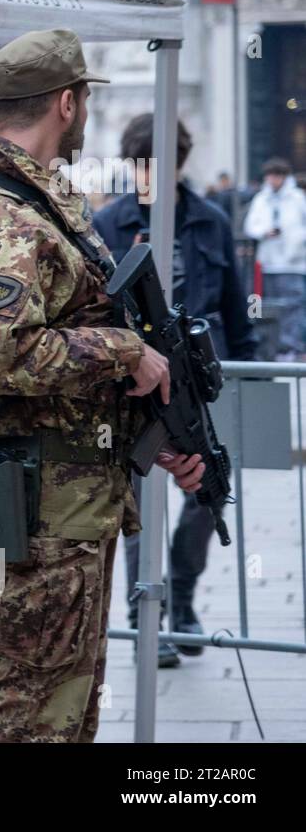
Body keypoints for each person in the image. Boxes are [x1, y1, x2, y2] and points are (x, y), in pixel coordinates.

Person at [0, 28, 206, 742]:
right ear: (68, 104)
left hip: (66, 501)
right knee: (34, 712)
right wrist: (124, 350)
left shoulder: (36, 203)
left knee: (66, 704)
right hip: (40, 508)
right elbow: (0, 355)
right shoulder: (0, 214)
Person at [93, 113, 259, 668]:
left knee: (205, 490)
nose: (149, 178)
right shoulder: (106, 226)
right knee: (139, 501)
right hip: (135, 386)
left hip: (198, 383)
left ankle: (183, 598)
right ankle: (147, 616)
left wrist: (251, 380)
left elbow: (237, 312)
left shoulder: (210, 221)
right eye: (141, 167)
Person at [242, 157, 306, 359]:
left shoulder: (297, 199)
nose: (272, 180)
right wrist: (265, 232)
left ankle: (292, 346)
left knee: (293, 305)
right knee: (269, 306)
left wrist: (295, 241)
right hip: (268, 261)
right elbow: (250, 226)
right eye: (270, 176)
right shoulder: (261, 199)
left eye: (276, 176)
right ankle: (274, 345)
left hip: (292, 262)